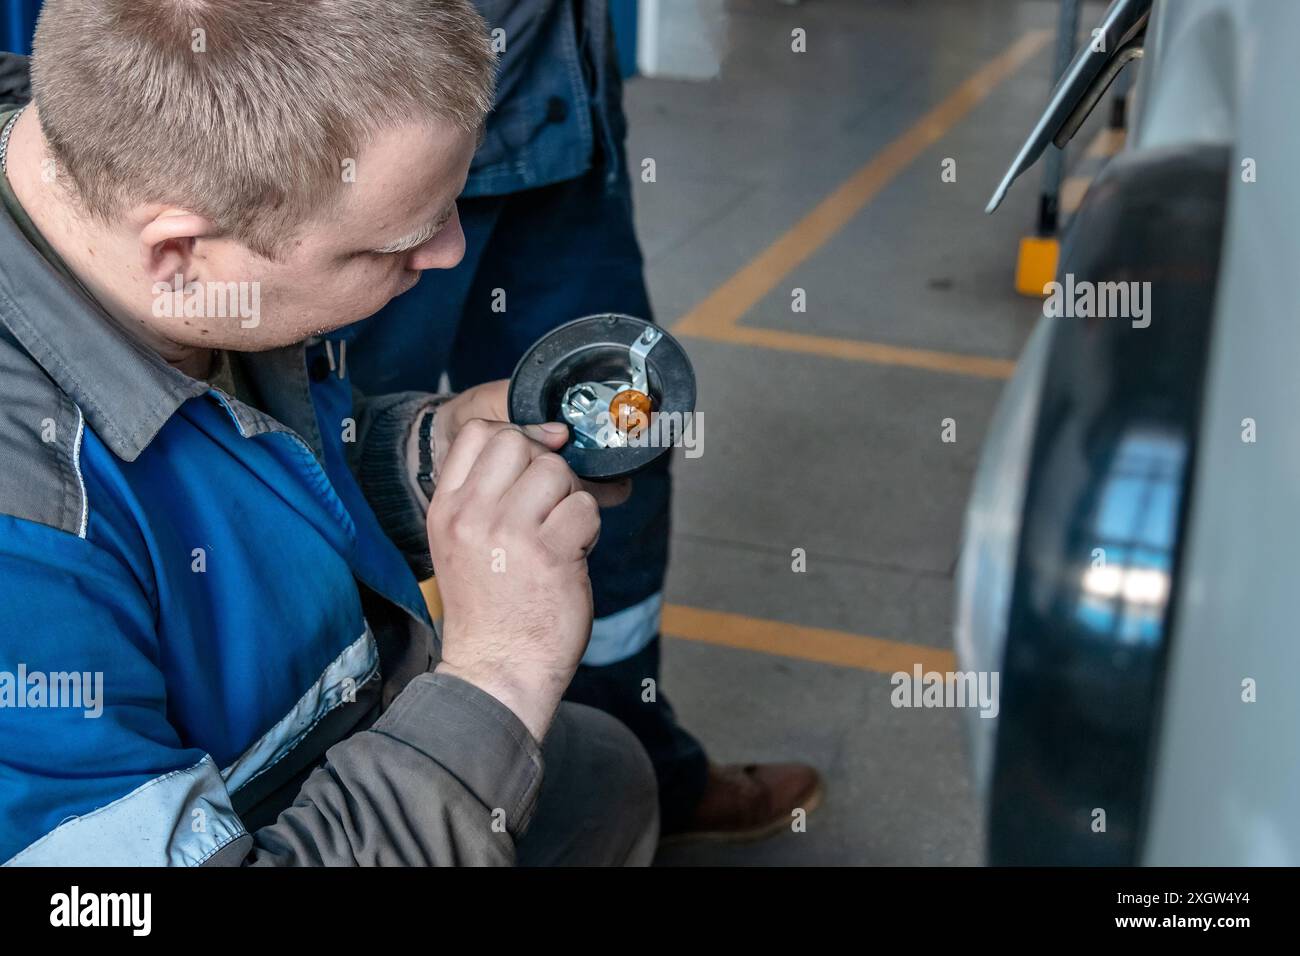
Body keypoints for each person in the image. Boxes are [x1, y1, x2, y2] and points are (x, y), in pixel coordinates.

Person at [0, 0, 657, 866]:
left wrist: (420, 459)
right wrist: (496, 674)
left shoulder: (98, 170)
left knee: (601, 773)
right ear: (179, 254)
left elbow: (224, 468)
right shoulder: (31, 547)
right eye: (399, 240)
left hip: (312, 742)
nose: (453, 253)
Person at [349, 0, 822, 841]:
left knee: (615, 454)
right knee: (338, 468)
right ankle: (379, 810)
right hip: (372, 134)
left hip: (552, 112)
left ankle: (636, 761)